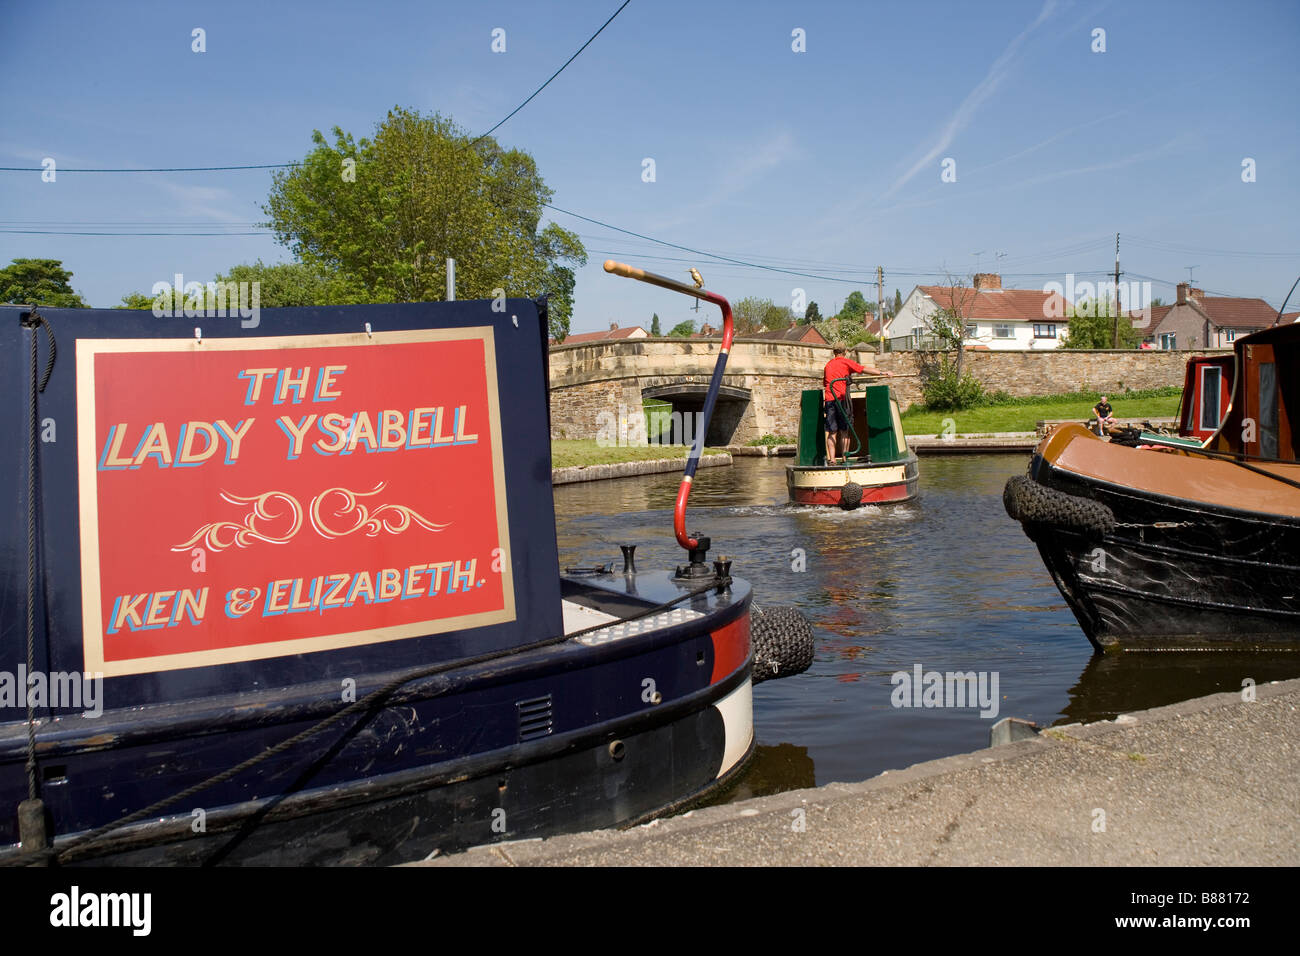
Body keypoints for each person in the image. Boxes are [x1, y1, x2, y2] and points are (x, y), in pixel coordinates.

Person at [823, 345, 893, 464]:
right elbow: (864, 369)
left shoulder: (828, 365)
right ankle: (845, 458)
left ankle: (832, 459)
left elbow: (825, 383)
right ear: (845, 351)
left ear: (834, 352)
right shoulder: (846, 362)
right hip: (842, 399)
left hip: (829, 400)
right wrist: (883, 372)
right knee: (845, 430)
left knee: (832, 432)